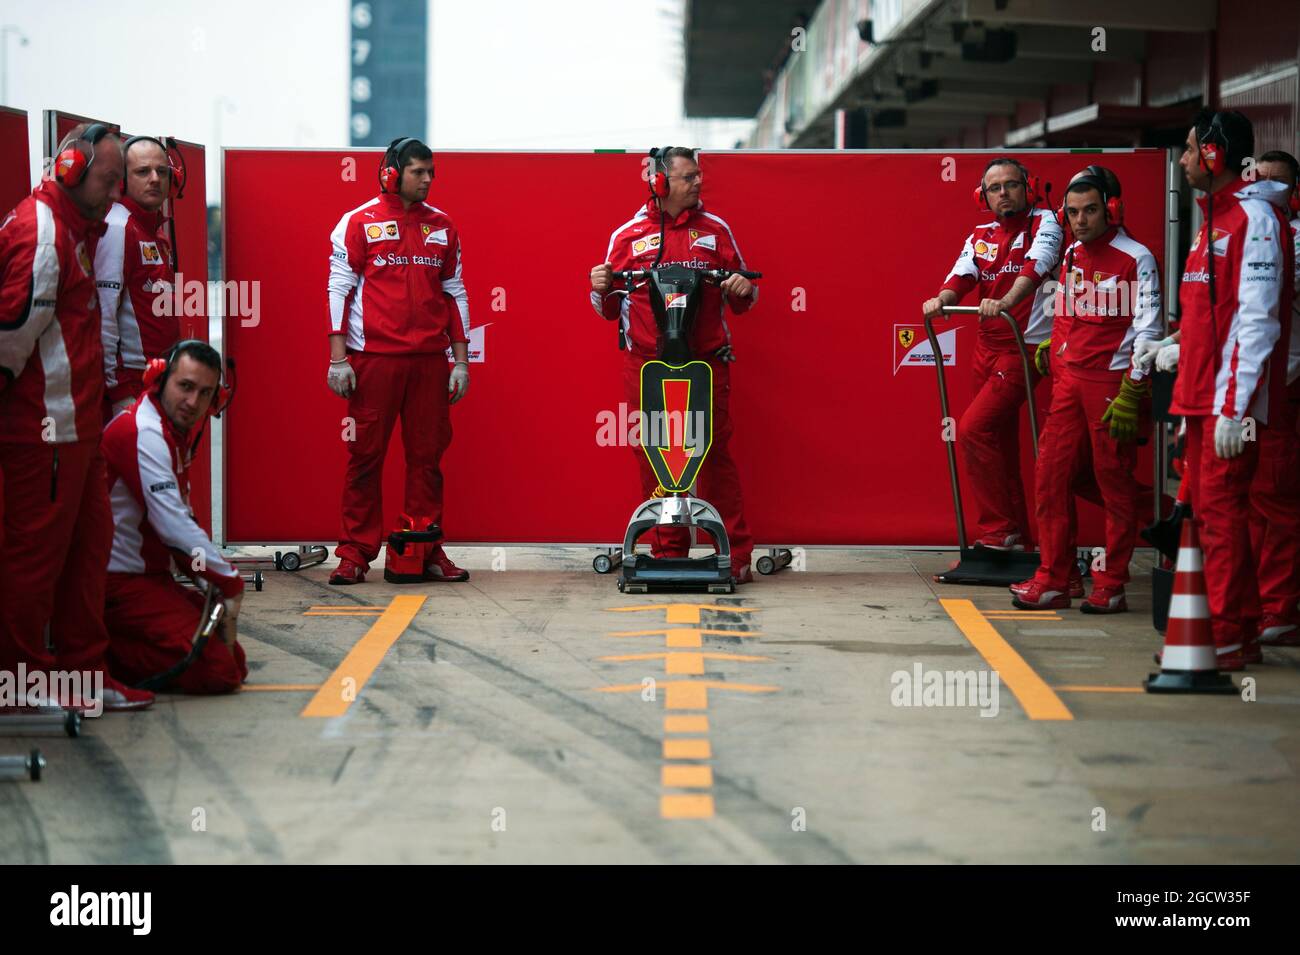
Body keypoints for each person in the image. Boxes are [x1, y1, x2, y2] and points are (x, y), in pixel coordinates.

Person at [0, 123, 152, 711]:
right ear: (70, 170)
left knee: (88, 557)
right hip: (44, 433)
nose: (117, 193)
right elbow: (11, 339)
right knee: (35, 561)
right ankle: (20, 685)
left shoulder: (74, 230)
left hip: (76, 431)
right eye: (111, 180)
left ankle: (85, 678)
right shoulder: (42, 234)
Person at [1160, 111, 1294, 669]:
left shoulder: (1254, 219)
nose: (1185, 160)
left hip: (1225, 406)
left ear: (1214, 155)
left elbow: (1258, 323)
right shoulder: (1213, 219)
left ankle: (1228, 639)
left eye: (1191, 150)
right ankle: (1238, 629)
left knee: (1220, 519)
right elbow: (1211, 318)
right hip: (1199, 402)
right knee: (1211, 519)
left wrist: (1233, 407)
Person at [589, 147, 758, 583]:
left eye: (699, 175)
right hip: (648, 368)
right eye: (688, 177)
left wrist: (741, 287)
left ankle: (734, 556)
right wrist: (600, 285)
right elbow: (605, 309)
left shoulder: (717, 230)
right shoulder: (627, 236)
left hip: (706, 364)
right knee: (657, 457)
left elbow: (745, 301)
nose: (698, 183)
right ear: (660, 184)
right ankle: (666, 554)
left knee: (713, 455)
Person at [1011, 166, 1162, 612]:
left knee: (1113, 483)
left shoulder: (1138, 257)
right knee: (1050, 477)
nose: (1080, 220)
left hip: (1112, 387)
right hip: (1068, 384)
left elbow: (1149, 329)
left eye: (1090, 210)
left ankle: (1111, 583)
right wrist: (1052, 348)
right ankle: (1055, 578)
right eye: (1073, 212)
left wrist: (1134, 389)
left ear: (1112, 209)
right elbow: (1067, 311)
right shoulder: (1073, 253)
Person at [325, 137, 471, 585]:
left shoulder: (443, 225)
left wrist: (461, 363)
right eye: (418, 172)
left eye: (431, 172)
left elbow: (455, 294)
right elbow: (338, 290)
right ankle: (354, 553)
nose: (427, 179)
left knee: (427, 461)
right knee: (365, 458)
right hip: (373, 361)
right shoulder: (357, 222)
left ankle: (423, 550)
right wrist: (337, 359)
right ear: (391, 172)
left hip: (429, 363)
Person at [922, 158, 1064, 551]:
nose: (1004, 193)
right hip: (986, 348)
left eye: (1011, 185)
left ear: (1028, 188)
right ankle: (1018, 537)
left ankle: (998, 531)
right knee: (997, 441)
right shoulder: (980, 232)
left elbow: (1037, 267)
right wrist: (942, 299)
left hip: (1025, 347)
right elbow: (962, 275)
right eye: (994, 188)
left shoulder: (1046, 221)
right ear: (983, 196)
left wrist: (1005, 300)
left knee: (971, 430)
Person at [101, 340, 246, 692]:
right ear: (158, 379)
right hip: (118, 585)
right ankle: (90, 659)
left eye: (204, 392)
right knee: (219, 671)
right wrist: (228, 581)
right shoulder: (142, 432)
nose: (193, 402)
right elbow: (173, 525)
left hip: (149, 580)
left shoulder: (168, 433)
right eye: (185, 386)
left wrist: (208, 583)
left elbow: (181, 522)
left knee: (235, 663)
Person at [1248, 149, 1300, 646]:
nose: (1266, 189)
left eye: (1277, 183)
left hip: (1285, 385)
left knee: (1277, 500)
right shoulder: (1248, 233)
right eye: (1258, 178)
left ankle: (1279, 608)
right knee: (1249, 499)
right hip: (1250, 388)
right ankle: (1258, 602)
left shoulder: (1290, 236)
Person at [96, 135, 181, 419]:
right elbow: (103, 319)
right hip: (131, 388)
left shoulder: (153, 231)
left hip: (158, 383)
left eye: (162, 171)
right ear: (122, 180)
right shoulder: (118, 228)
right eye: (143, 171)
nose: (155, 179)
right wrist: (120, 395)